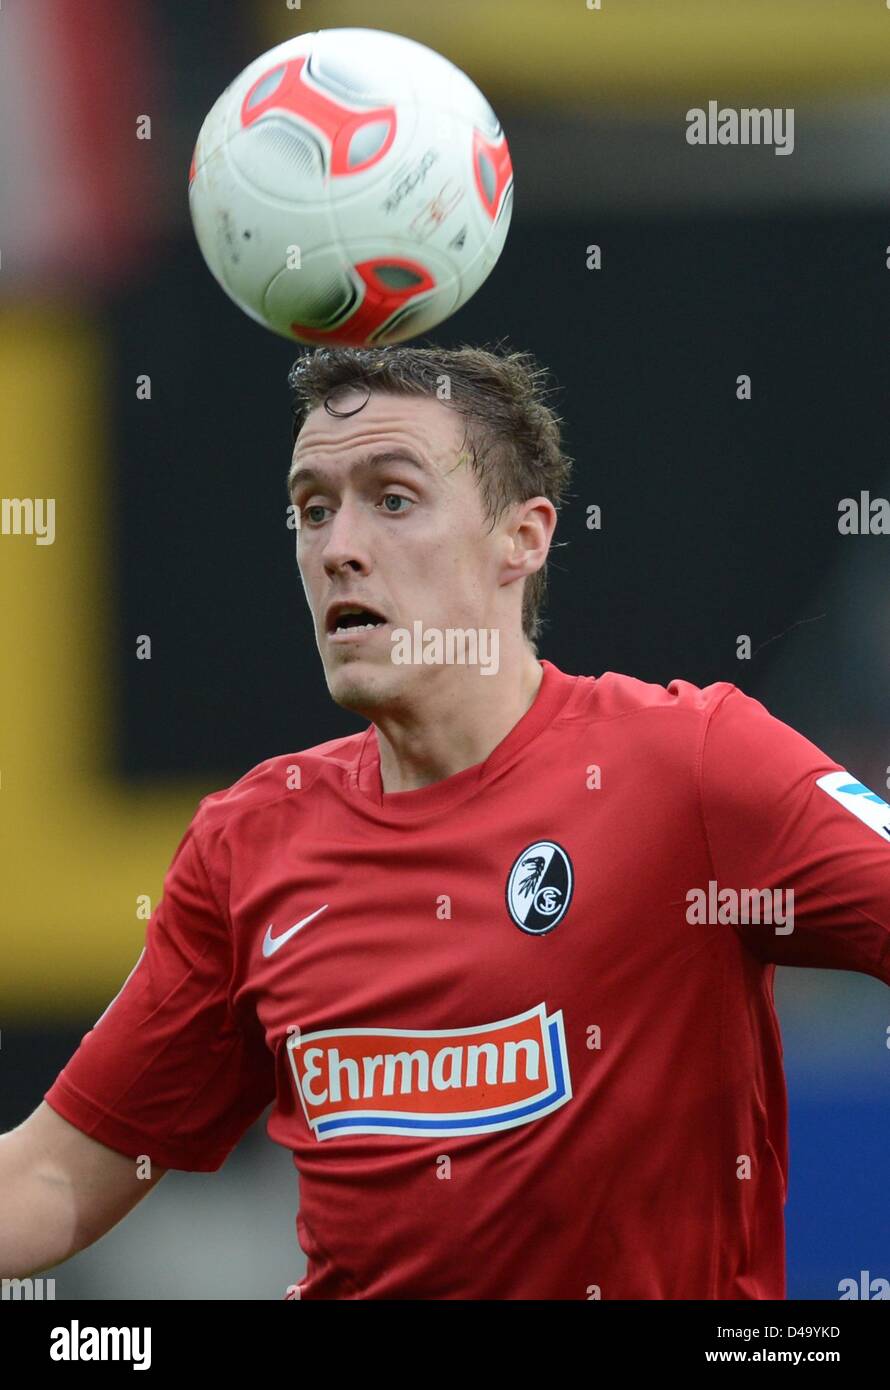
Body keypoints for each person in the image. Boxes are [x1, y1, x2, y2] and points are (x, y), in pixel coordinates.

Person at [2, 344, 888, 1299]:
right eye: (311, 508)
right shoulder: (250, 843)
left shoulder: (696, 769)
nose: (337, 545)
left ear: (525, 536)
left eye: (392, 498)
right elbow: (53, 1179)